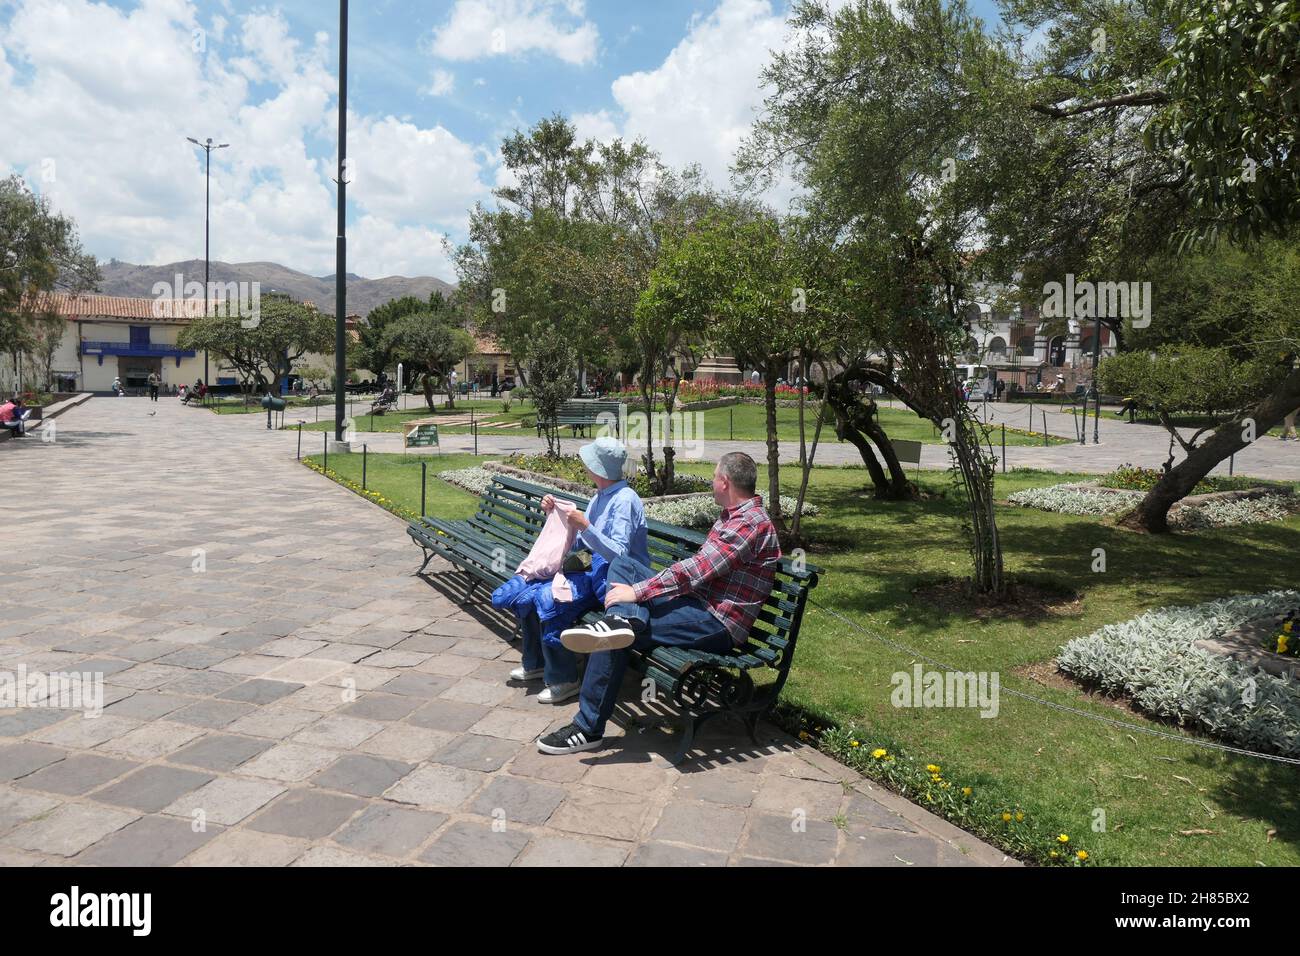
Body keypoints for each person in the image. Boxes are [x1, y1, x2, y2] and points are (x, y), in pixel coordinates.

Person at [537, 451, 781, 755]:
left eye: (714, 476)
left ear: (725, 482)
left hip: (716, 622)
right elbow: (697, 572)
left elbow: (698, 569)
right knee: (623, 565)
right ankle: (623, 620)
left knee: (612, 639)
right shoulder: (735, 516)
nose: (710, 481)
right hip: (695, 604)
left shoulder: (749, 524)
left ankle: (587, 728)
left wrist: (639, 593)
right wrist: (639, 591)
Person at [494, 437, 650, 705]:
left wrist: (586, 526)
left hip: (611, 582)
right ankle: (536, 663)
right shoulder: (599, 497)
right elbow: (580, 543)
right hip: (588, 571)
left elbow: (621, 556)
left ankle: (565, 680)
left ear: (598, 469)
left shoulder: (625, 500)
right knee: (529, 597)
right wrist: (554, 514)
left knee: (551, 601)